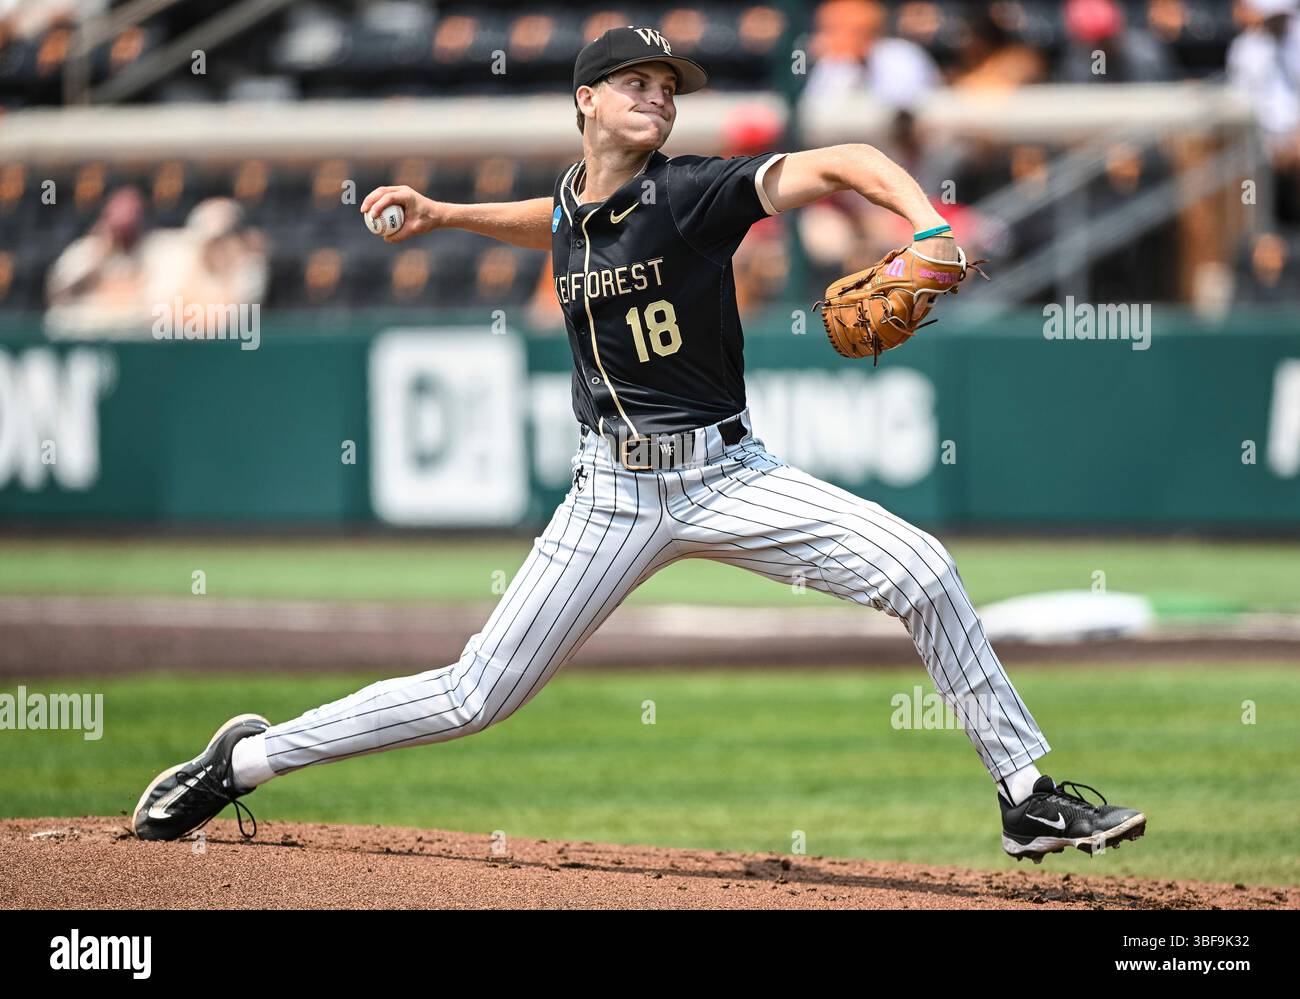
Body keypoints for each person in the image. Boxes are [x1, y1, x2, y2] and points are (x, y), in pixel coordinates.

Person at [131, 27, 1147, 864]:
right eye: (635, 81)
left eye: (668, 85)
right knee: (475, 695)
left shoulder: (692, 194)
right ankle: (246, 763)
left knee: (923, 569)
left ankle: (1025, 795)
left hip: (725, 475)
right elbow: (560, 224)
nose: (657, 95)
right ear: (585, 101)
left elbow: (844, 161)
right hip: (607, 497)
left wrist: (926, 224)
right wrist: (445, 212)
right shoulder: (578, 202)